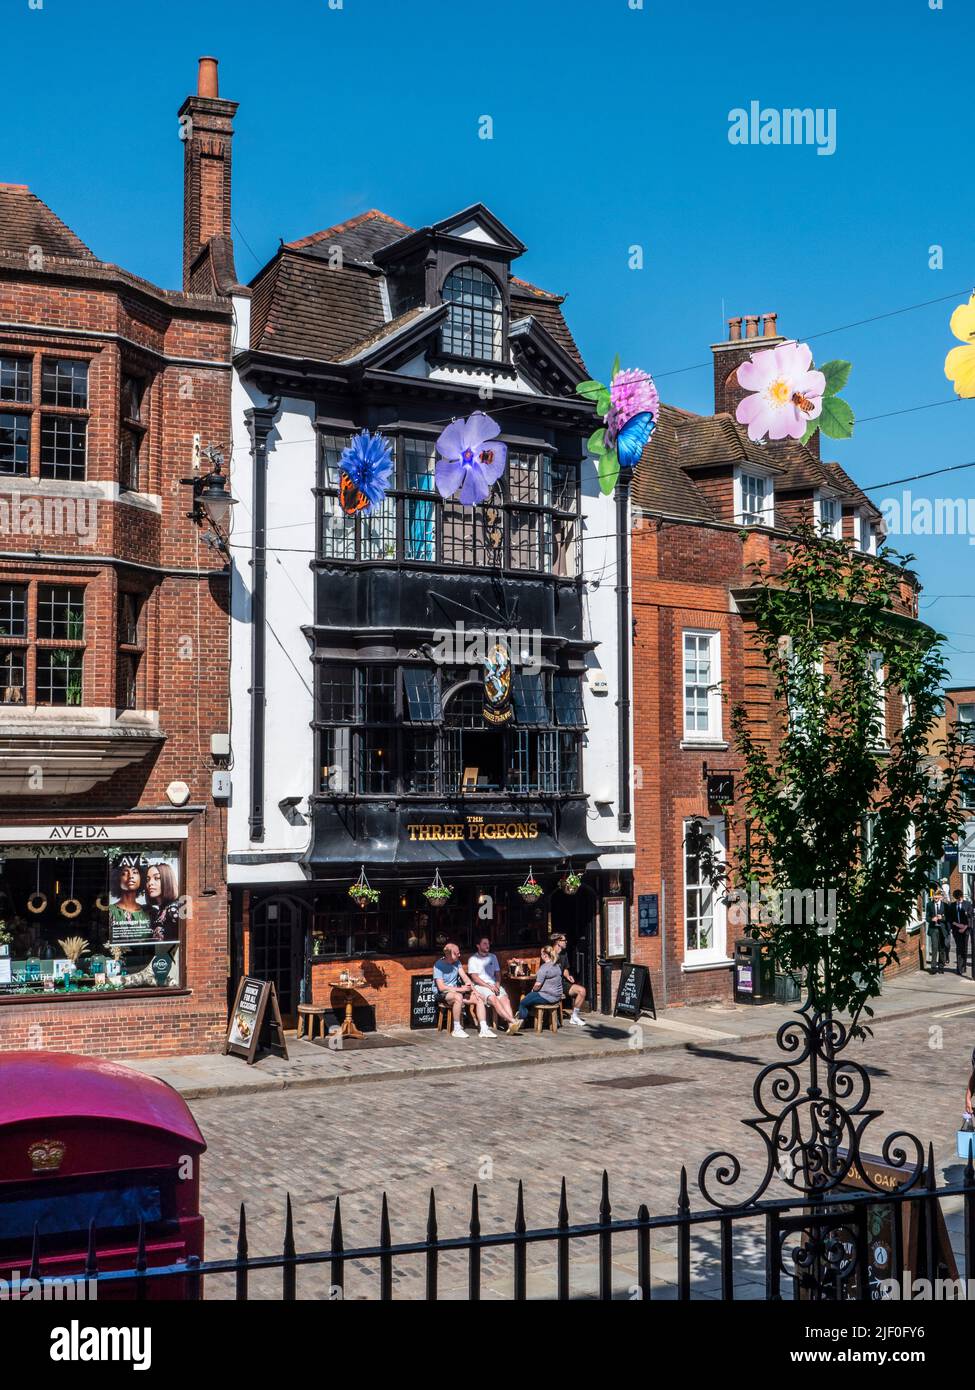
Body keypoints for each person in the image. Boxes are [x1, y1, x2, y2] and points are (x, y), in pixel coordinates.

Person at [433, 942, 493, 1039]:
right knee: (458, 997)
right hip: (443, 994)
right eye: (457, 953)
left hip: (457, 992)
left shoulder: (457, 963)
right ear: (449, 954)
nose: (459, 955)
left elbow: (465, 978)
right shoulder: (438, 965)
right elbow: (441, 987)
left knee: (478, 998)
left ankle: (483, 1029)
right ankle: (457, 1029)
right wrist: (460, 989)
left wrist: (475, 991)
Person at [508, 946, 564, 1034]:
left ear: (545, 955)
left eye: (541, 954)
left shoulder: (544, 968)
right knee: (529, 999)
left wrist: (532, 991)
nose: (541, 956)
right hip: (557, 996)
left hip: (546, 996)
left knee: (523, 1002)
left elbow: (537, 986)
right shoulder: (557, 966)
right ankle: (529, 1018)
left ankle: (520, 1021)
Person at [467, 935, 517, 1031]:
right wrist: (488, 986)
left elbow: (497, 973)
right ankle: (512, 1021)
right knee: (494, 999)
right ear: (478, 946)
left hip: (494, 984)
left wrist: (497, 984)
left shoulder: (493, 957)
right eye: (484, 943)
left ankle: (511, 1026)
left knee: (505, 999)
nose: (487, 945)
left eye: (488, 943)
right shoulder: (473, 959)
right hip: (480, 986)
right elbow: (475, 978)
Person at [550, 932, 587, 1027]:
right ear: (557, 942)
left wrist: (568, 976)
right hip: (551, 984)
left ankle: (574, 1016)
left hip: (562, 983)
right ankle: (552, 1017)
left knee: (582, 991)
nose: (566, 942)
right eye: (564, 940)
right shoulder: (549, 953)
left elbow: (565, 968)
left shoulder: (564, 954)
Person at [108, 856, 149, 934]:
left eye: (135, 872)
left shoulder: (150, 912)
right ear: (117, 879)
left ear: (141, 878)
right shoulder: (110, 912)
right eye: (124, 873)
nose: (130, 876)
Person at [146, 861, 181, 941]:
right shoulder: (161, 910)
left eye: (156, 878)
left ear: (167, 880)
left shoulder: (173, 909)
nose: (150, 883)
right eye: (148, 879)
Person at [947, 888, 973, 976]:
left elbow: (970, 917)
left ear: (962, 897)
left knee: (964, 948)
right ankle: (959, 968)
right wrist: (958, 925)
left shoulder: (968, 904)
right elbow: (950, 918)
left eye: (960, 898)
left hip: (965, 929)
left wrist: (965, 926)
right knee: (959, 947)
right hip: (956, 929)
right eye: (957, 899)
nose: (959, 900)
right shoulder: (952, 905)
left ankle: (964, 966)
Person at [926, 889, 950, 974]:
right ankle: (933, 967)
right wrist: (932, 919)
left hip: (942, 929)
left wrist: (942, 918)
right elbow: (927, 918)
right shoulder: (929, 905)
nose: (935, 898)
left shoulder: (946, 906)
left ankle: (941, 967)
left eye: (937, 897)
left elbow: (949, 918)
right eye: (934, 897)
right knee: (934, 947)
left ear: (940, 897)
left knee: (942, 948)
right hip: (933, 929)